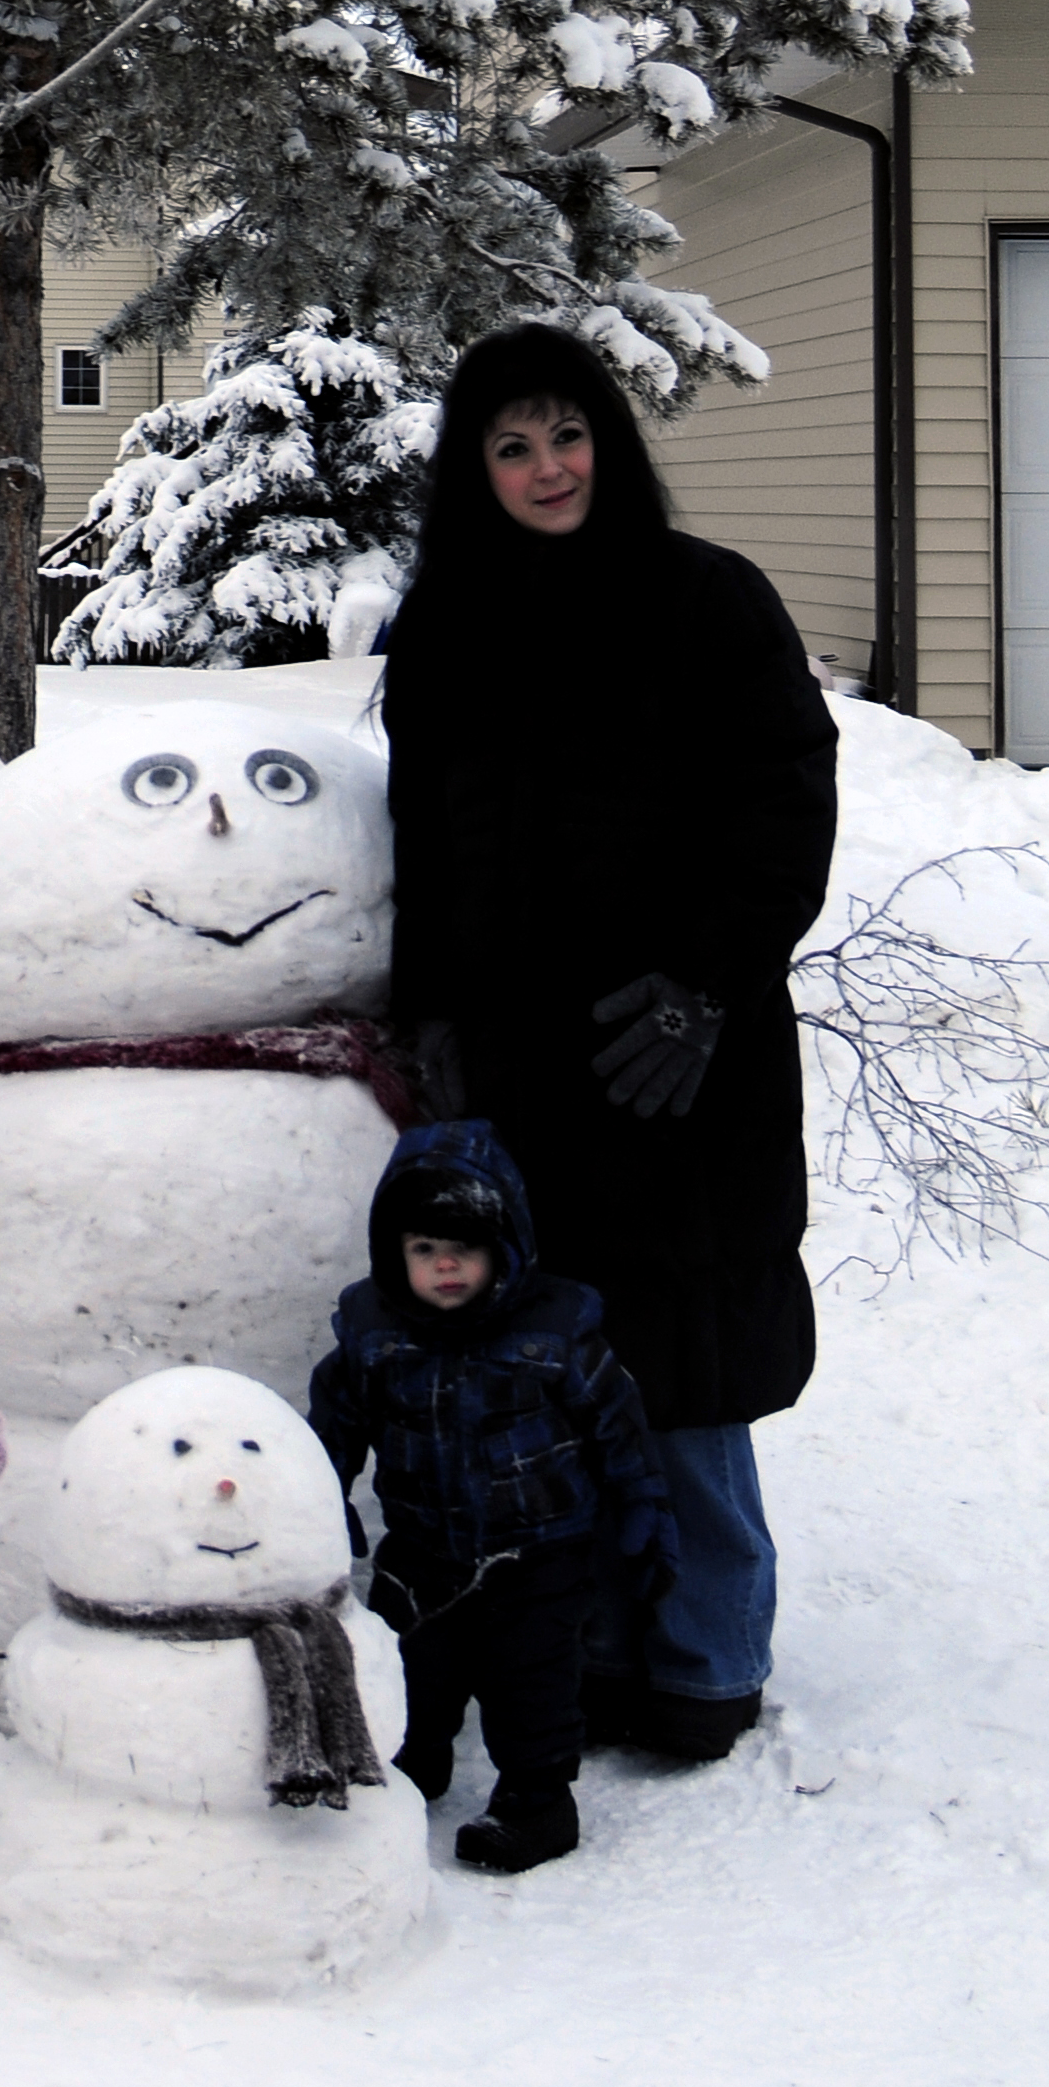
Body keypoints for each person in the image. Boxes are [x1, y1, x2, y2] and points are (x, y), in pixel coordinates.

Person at [379, 322, 838, 1763]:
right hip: (520, 1066)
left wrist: (704, 984)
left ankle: (705, 1653)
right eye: (511, 446)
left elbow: (785, 803)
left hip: (678, 1062)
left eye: (566, 434)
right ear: (474, 469)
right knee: (552, 1362)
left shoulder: (708, 602)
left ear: (610, 442)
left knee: (686, 1365)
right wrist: (429, 1020)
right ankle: (592, 1642)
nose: (546, 467)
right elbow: (422, 845)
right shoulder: (447, 625)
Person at [309, 1121, 676, 1874]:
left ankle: (537, 1805)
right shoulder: (372, 1337)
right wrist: (322, 1498)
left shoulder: (557, 1331)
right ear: (392, 1252)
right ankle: (414, 1761)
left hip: (540, 1551)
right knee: (412, 1667)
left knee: (531, 1684)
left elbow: (620, 1427)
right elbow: (331, 1428)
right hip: (421, 1546)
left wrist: (645, 1510)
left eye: (465, 1249)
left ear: (503, 1247)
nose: (445, 1266)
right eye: (423, 1250)